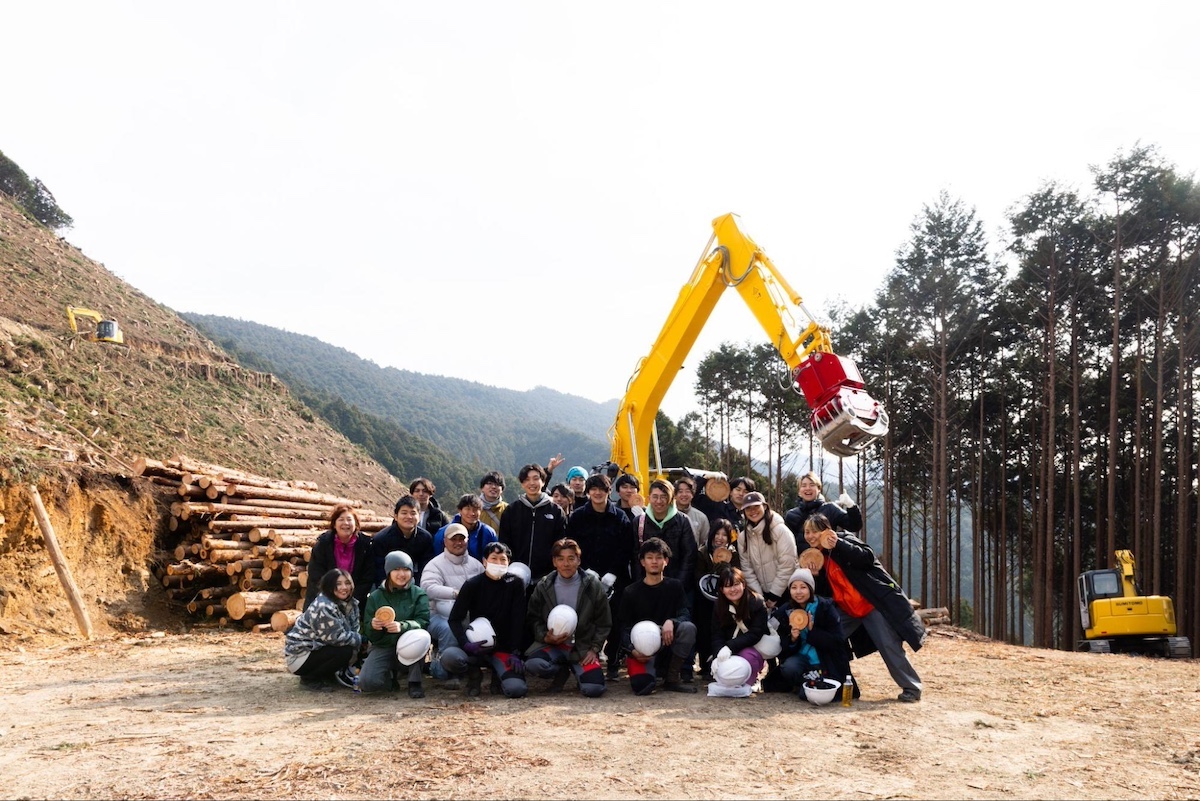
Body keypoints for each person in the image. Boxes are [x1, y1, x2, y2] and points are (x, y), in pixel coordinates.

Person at [803, 512, 925, 702]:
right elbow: (825, 594)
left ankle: (912, 687)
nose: (810, 536)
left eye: (814, 531)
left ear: (826, 530)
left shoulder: (844, 539)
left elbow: (867, 558)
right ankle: (832, 680)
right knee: (826, 636)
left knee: (888, 645)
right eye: (807, 532)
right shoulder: (817, 557)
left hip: (870, 604)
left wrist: (839, 545)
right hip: (846, 609)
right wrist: (816, 575)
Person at [567, 472, 638, 681]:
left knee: (616, 620)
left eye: (602, 489)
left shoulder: (620, 516)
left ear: (609, 491)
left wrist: (613, 573)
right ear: (588, 492)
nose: (597, 493)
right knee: (587, 619)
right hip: (586, 576)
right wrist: (585, 569)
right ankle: (590, 657)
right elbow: (572, 545)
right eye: (593, 489)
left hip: (615, 578)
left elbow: (627, 547)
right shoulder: (578, 516)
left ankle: (614, 661)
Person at [441, 542, 529, 698]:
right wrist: (466, 644)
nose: (499, 563)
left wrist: (516, 651)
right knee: (450, 657)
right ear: (484, 561)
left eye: (503, 559)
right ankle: (474, 676)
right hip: (477, 648)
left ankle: (498, 676)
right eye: (494, 558)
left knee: (516, 690)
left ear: (509, 562)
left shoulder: (515, 584)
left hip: (504, 650)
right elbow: (454, 619)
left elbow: (518, 620)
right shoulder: (472, 585)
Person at [524, 538, 610, 697]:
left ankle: (579, 672)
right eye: (560, 559)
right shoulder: (544, 585)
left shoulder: (592, 585)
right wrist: (546, 637)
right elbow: (533, 618)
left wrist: (594, 649)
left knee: (594, 689)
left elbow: (604, 622)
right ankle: (561, 670)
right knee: (534, 664)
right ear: (554, 562)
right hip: (554, 646)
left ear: (579, 560)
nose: (566, 564)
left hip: (582, 648)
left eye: (571, 558)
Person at [617, 537, 698, 694]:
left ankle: (672, 678)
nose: (654, 561)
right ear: (642, 562)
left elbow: (685, 614)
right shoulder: (630, 592)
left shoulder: (675, 586)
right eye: (649, 557)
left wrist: (672, 621)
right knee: (643, 688)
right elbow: (623, 627)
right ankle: (650, 672)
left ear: (666, 561)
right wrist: (632, 650)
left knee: (688, 628)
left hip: (667, 643)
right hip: (640, 650)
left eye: (659, 557)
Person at [769, 566, 855, 697]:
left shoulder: (825, 607)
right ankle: (804, 681)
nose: (798, 592)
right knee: (789, 667)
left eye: (803, 587)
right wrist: (792, 639)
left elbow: (838, 641)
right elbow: (782, 648)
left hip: (825, 660)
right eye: (794, 587)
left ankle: (814, 681)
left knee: (811, 695)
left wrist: (812, 631)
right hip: (801, 658)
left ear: (811, 589)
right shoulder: (786, 611)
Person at [359, 550, 431, 698]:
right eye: (396, 569)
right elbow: (367, 631)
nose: (401, 574)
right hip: (384, 645)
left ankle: (414, 681)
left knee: (420, 637)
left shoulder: (418, 594)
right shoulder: (375, 597)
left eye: (406, 569)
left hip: (410, 644)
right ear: (388, 572)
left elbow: (423, 622)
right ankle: (390, 679)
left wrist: (403, 626)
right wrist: (373, 626)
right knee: (367, 683)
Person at [420, 522, 484, 684]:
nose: (458, 542)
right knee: (449, 629)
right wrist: (456, 593)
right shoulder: (435, 565)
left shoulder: (476, 565)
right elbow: (427, 588)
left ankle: (474, 666)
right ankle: (444, 670)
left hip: (468, 615)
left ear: (467, 541)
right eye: (453, 539)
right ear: (445, 542)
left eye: (461, 539)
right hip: (438, 616)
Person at [284, 568, 363, 692]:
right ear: (329, 586)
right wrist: (361, 639)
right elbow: (335, 638)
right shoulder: (324, 606)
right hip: (300, 656)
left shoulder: (350, 603)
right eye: (338, 584)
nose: (344, 587)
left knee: (349, 647)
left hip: (318, 650)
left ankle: (327, 675)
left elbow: (354, 628)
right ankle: (309, 679)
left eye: (347, 583)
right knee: (344, 651)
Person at [498, 463, 567, 583]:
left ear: (543, 481)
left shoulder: (556, 511)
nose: (531, 483)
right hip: (516, 574)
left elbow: (560, 544)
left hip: (547, 577)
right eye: (527, 479)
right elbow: (504, 542)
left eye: (536, 478)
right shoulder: (512, 510)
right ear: (522, 483)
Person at [709, 565, 769, 695]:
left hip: (752, 647)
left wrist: (730, 647)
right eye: (728, 586)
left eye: (736, 584)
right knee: (724, 671)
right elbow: (717, 634)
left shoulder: (757, 602)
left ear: (743, 584)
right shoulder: (718, 606)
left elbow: (756, 633)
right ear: (722, 589)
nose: (733, 589)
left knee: (748, 656)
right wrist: (717, 655)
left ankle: (753, 679)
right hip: (728, 648)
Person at [631, 480, 698, 598]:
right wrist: (641, 584)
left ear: (671, 498)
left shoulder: (682, 521)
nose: (659, 501)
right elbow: (635, 557)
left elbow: (689, 556)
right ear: (648, 498)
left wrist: (679, 585)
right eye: (655, 497)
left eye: (663, 497)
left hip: (678, 586)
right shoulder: (639, 522)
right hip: (648, 586)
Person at [694, 518, 741, 680]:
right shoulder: (702, 552)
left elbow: (736, 575)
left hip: (727, 599)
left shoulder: (734, 554)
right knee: (705, 629)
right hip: (705, 599)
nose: (720, 538)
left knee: (724, 629)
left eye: (724, 535)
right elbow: (698, 576)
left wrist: (725, 567)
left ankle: (722, 660)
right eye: (717, 534)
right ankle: (705, 664)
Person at [304, 504, 373, 614]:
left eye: (349, 519)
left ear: (356, 524)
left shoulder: (365, 546)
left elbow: (367, 578)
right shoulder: (323, 545)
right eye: (341, 519)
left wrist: (351, 600)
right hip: (324, 598)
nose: (345, 523)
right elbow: (316, 575)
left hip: (354, 600)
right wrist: (333, 597)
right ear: (334, 524)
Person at [737, 492, 798, 612]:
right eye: (748, 508)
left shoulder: (780, 530)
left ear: (764, 506)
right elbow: (747, 568)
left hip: (786, 591)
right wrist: (760, 596)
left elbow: (787, 564)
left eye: (756, 506)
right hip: (762, 596)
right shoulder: (743, 537)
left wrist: (774, 594)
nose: (753, 511)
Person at [370, 494, 435, 588]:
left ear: (419, 516)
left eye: (413, 513)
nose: (409, 517)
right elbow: (379, 570)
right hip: (387, 585)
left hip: (415, 584)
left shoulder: (425, 538)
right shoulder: (382, 538)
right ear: (395, 516)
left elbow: (425, 567)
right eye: (404, 513)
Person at [783, 471, 862, 538]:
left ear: (819, 489)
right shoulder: (792, 515)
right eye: (804, 485)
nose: (808, 488)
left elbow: (854, 526)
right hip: (801, 556)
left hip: (828, 555)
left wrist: (851, 505)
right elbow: (788, 542)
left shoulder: (830, 509)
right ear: (799, 492)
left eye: (812, 485)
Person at [432, 494, 498, 559]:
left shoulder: (488, 532)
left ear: (481, 511)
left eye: (475, 509)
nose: (472, 513)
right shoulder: (444, 532)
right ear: (460, 510)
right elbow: (437, 556)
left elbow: (495, 556)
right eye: (468, 509)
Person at [673, 476, 710, 551]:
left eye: (688, 491)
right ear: (675, 495)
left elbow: (704, 543)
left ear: (692, 494)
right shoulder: (667, 515)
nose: (684, 494)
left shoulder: (701, 517)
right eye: (680, 491)